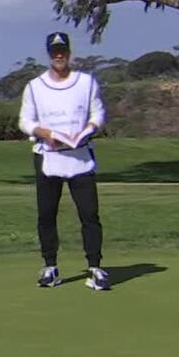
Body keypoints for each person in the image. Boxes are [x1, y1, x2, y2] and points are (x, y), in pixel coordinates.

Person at [18, 31, 110, 291]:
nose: (59, 55)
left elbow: (98, 113)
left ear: (69, 52)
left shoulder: (86, 83)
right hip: (48, 158)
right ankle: (50, 266)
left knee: (89, 214)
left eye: (62, 50)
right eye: (54, 51)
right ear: (48, 54)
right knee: (46, 214)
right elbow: (25, 121)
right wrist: (47, 133)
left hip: (80, 158)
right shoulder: (35, 87)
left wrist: (88, 130)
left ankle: (95, 267)